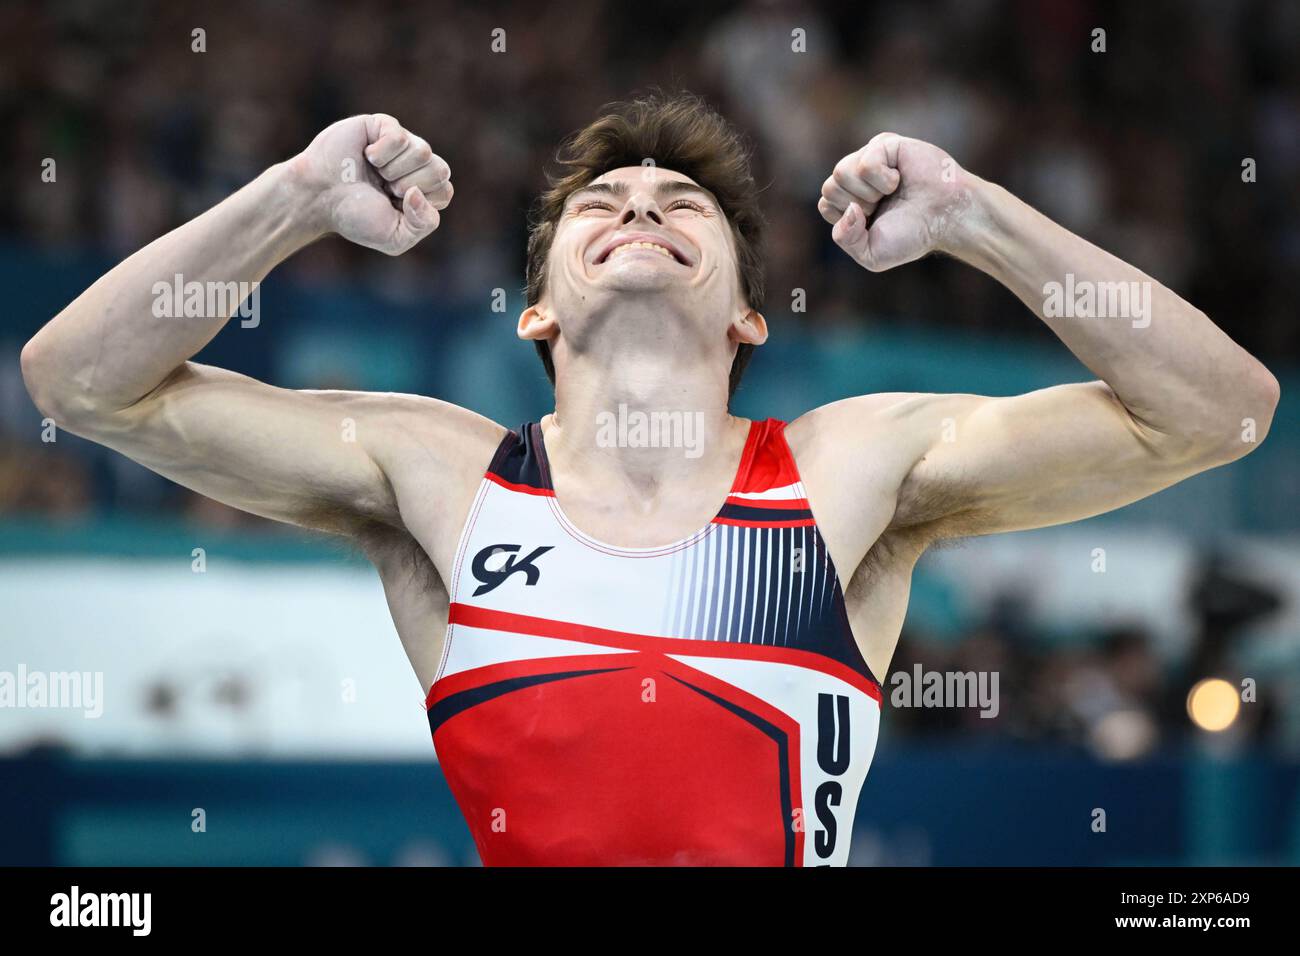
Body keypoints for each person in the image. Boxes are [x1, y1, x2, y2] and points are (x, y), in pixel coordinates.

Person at [20, 92, 1278, 866]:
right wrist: (292, 197)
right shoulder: (436, 476)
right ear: (535, 315)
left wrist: (974, 214)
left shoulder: (852, 468)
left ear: (745, 315)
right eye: (598, 201)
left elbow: (1220, 412)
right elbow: (78, 381)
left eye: (684, 202)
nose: (637, 204)